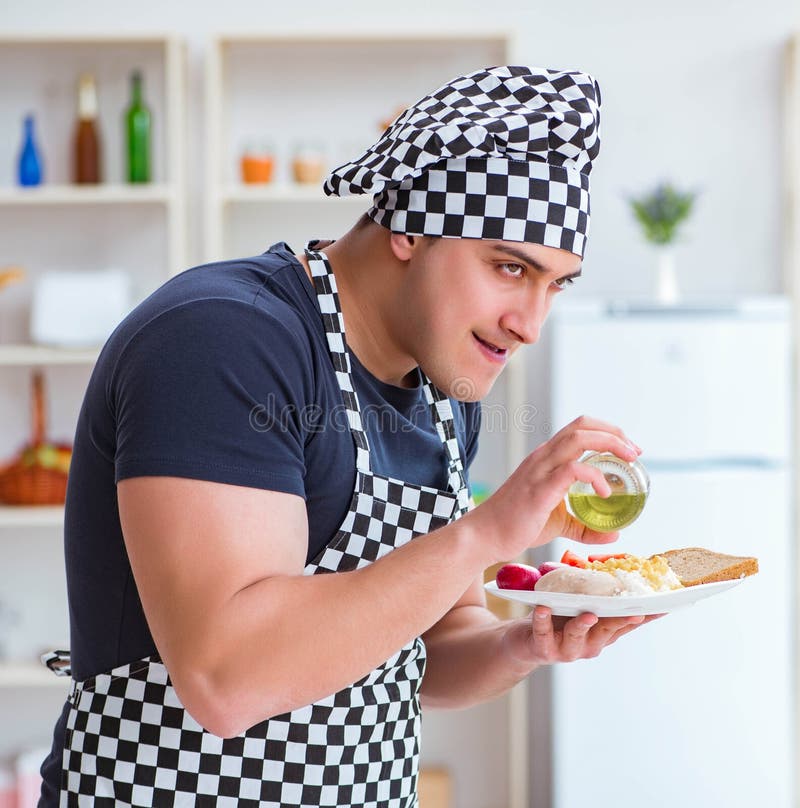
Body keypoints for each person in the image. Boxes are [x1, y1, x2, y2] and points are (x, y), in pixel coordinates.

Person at [40, 64, 655, 807]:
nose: (529, 322)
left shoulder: (443, 387)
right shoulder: (221, 338)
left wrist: (525, 641)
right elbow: (226, 679)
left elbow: (431, 647)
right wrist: (490, 531)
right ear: (408, 228)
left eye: (555, 284)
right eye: (508, 268)